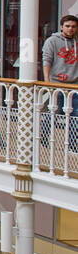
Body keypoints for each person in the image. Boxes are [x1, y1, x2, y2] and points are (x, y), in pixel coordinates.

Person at [41, 14, 78, 154]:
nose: (70, 29)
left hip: (74, 84)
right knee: (53, 113)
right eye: (67, 26)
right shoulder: (52, 41)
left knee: (75, 115)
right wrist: (47, 81)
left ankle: (73, 145)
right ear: (62, 26)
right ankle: (43, 139)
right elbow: (47, 60)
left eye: (73, 26)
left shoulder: (77, 41)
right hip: (57, 84)